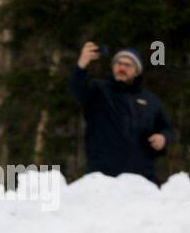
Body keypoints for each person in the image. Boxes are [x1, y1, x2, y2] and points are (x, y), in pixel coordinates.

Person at [71, 43, 173, 183]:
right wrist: (81, 65)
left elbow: (167, 128)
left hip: (142, 179)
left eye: (128, 65)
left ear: (136, 71)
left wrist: (163, 138)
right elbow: (77, 89)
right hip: (103, 177)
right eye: (118, 63)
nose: (122, 68)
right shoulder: (98, 91)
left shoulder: (151, 101)